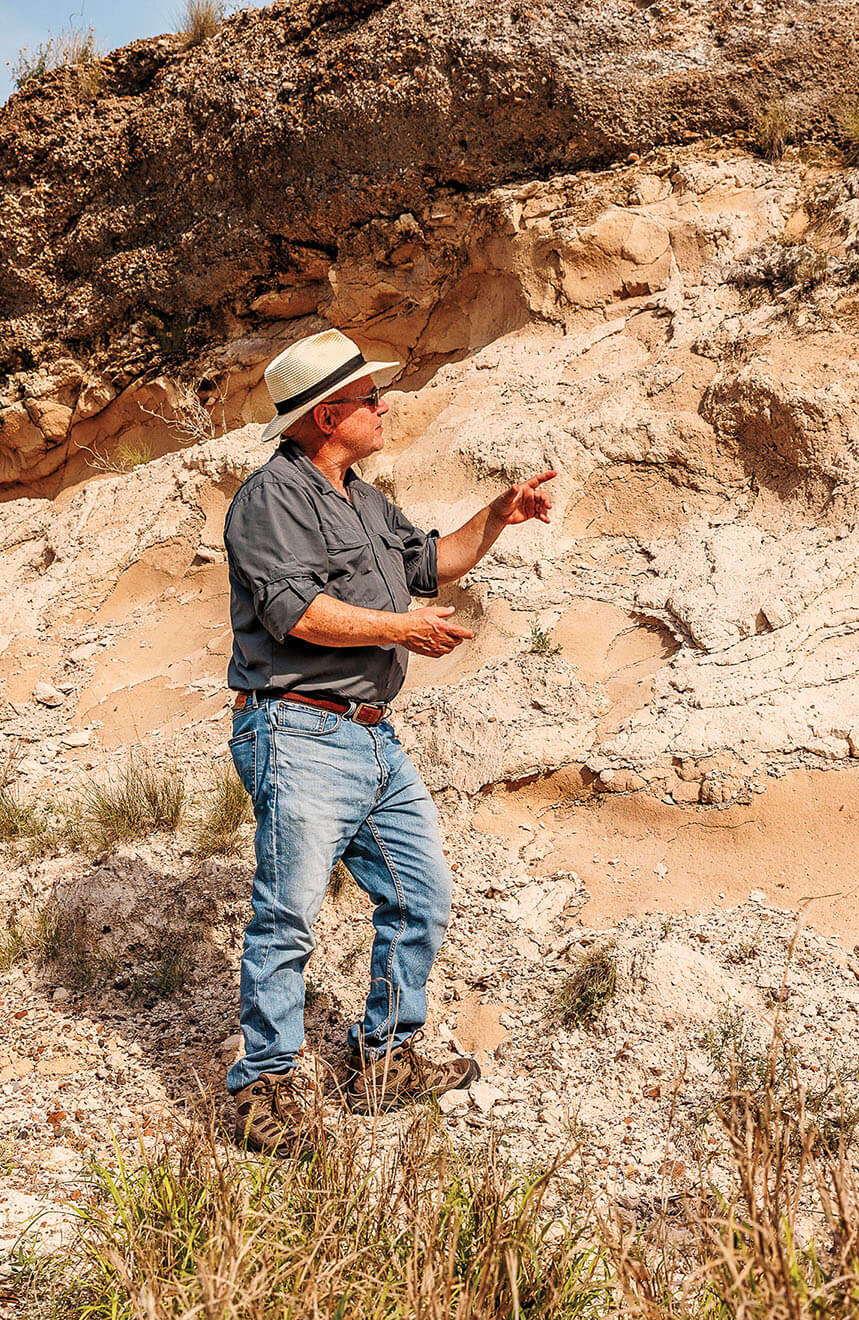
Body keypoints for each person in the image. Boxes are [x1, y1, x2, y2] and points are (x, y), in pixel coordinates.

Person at [221, 328, 555, 1156]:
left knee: (421, 895)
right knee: (287, 915)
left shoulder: (364, 499)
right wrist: (400, 629)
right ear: (330, 412)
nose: (383, 406)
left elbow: (431, 562)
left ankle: (381, 1059)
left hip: (372, 741)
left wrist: (499, 515)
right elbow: (294, 613)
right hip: (297, 729)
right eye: (371, 397)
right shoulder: (270, 500)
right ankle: (261, 1086)